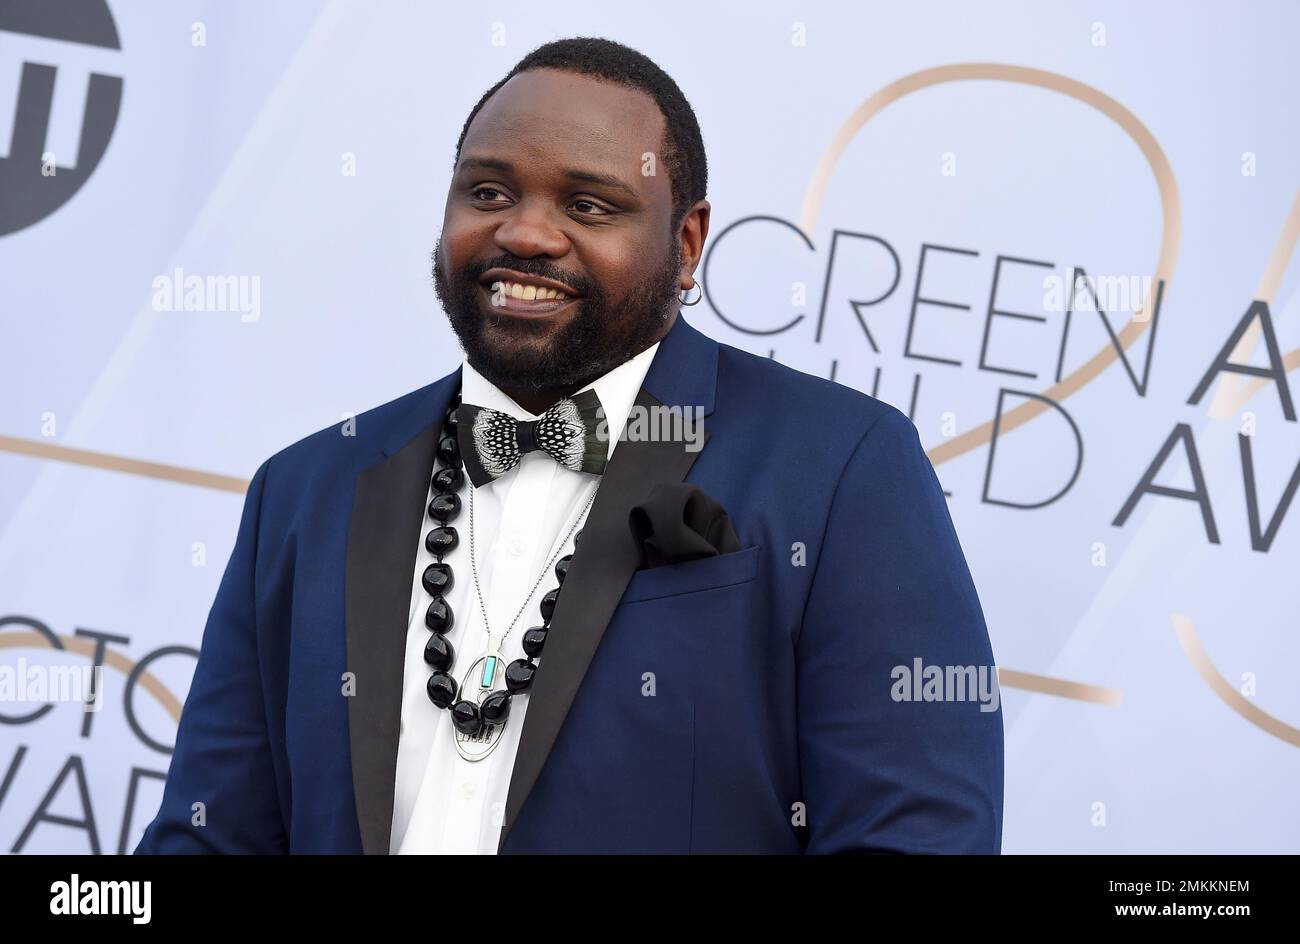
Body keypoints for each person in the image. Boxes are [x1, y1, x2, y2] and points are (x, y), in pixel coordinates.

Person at [136, 36, 1002, 855]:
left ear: (687, 242)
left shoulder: (841, 467)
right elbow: (213, 837)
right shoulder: (306, 490)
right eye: (488, 193)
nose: (526, 233)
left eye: (588, 205)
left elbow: (912, 836)